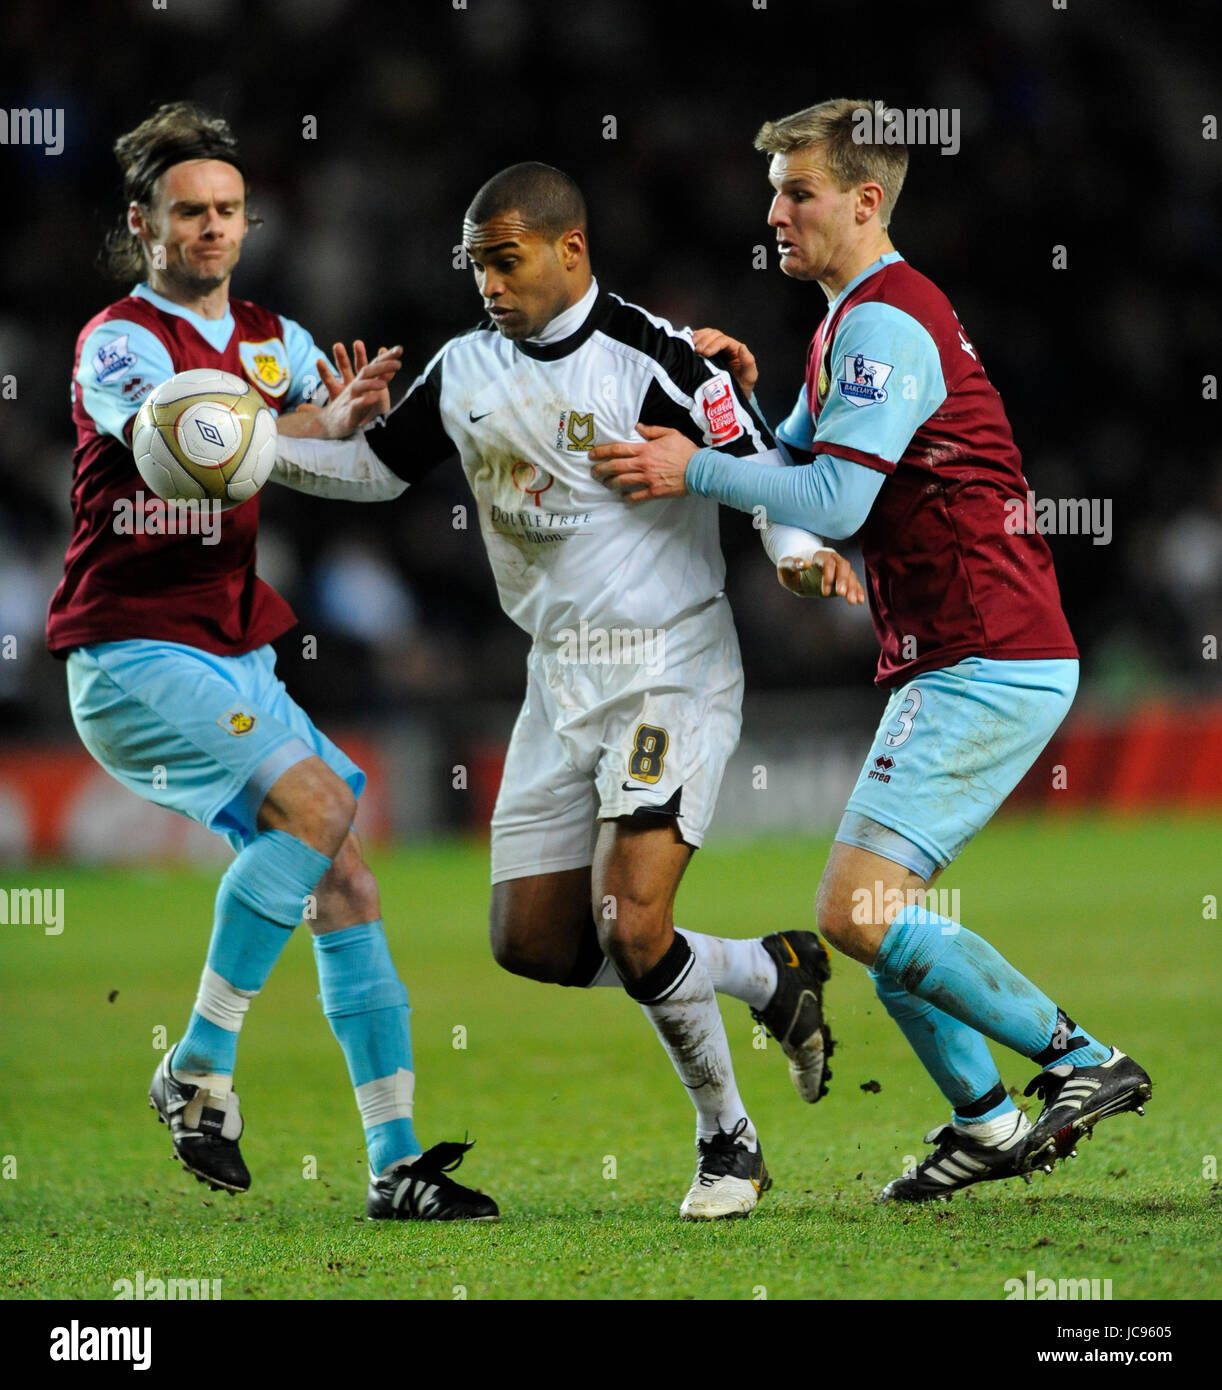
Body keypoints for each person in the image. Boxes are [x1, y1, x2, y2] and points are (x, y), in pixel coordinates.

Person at [589, 99, 1152, 1202]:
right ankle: (986, 1122)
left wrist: (687, 469)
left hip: (987, 646)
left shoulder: (888, 322)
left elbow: (837, 496)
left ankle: (1081, 1059)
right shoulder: (852, 316)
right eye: (774, 190)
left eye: (796, 191)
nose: (774, 211)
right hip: (956, 648)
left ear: (864, 199)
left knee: (858, 907)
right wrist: (728, 407)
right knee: (878, 917)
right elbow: (793, 451)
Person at [293, 161, 864, 1219]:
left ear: (571, 249)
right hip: (556, 682)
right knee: (534, 944)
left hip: (667, 669)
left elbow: (761, 465)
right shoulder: (465, 367)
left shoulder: (659, 357)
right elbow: (377, 468)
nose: (487, 285)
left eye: (504, 262)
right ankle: (763, 973)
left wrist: (791, 550)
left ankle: (728, 1141)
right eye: (475, 266)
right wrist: (252, 455)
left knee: (632, 922)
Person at [46, 102, 497, 1222]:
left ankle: (395, 1166)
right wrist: (297, 424)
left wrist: (343, 423)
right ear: (142, 223)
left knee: (345, 872)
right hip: (133, 643)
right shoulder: (120, 341)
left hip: (231, 645)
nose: (211, 228)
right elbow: (190, 442)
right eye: (188, 212)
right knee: (321, 798)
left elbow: (297, 452)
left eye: (229, 211)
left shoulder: (272, 336)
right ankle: (196, 1064)